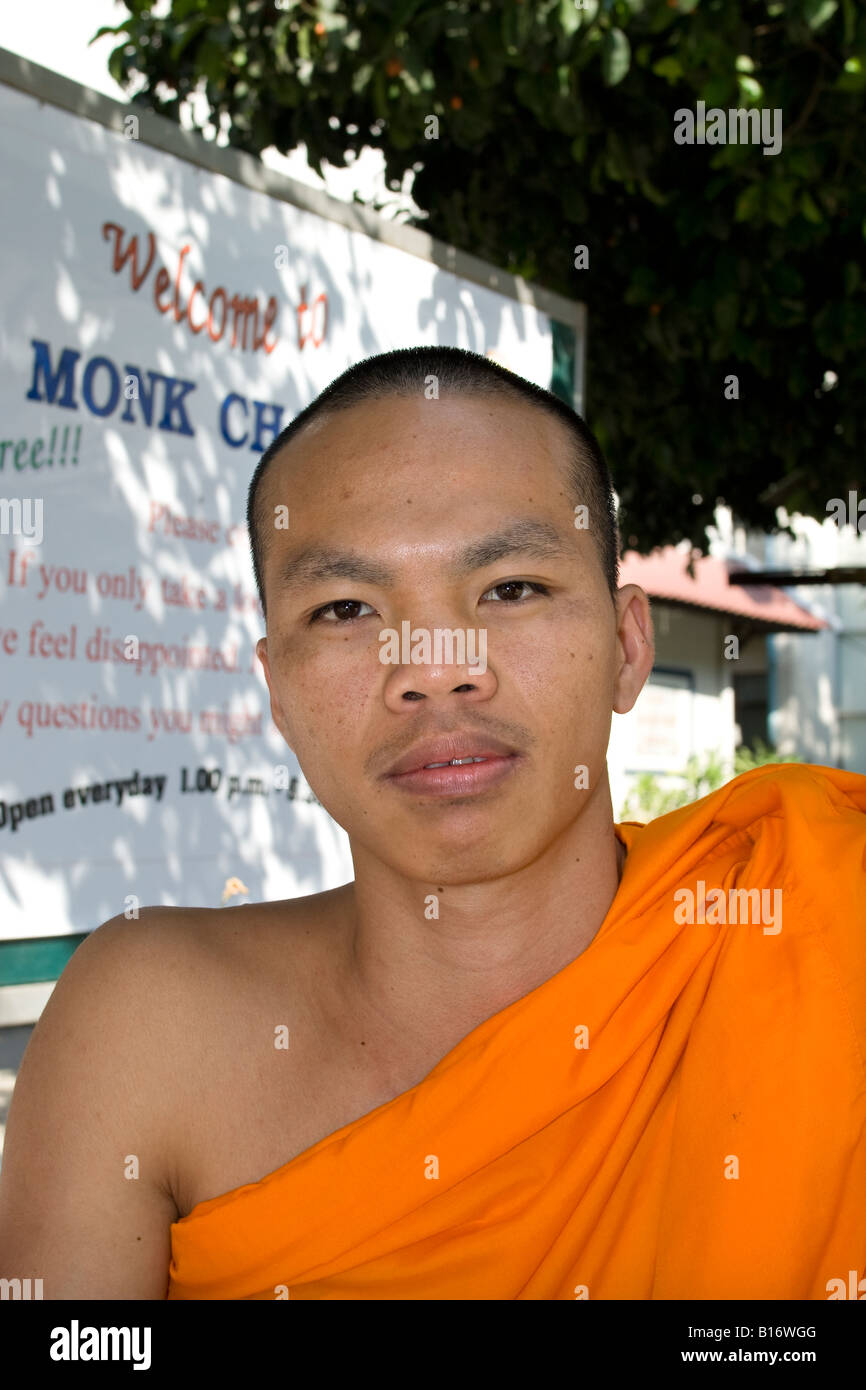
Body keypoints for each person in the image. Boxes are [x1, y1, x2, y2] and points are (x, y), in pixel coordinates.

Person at [0, 347, 863, 1300]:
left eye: (511, 589)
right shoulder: (145, 1024)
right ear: (278, 691)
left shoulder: (821, 923)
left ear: (627, 646)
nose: (435, 666)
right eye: (346, 608)